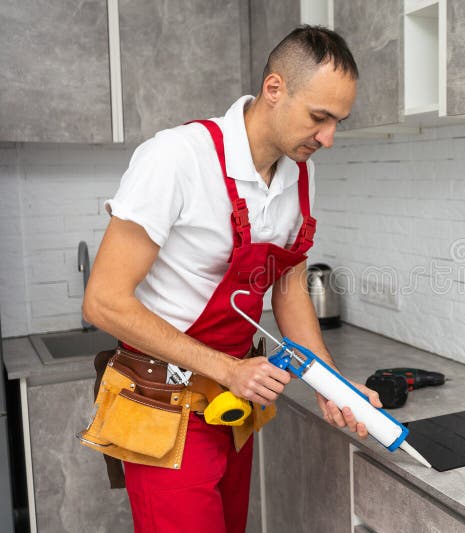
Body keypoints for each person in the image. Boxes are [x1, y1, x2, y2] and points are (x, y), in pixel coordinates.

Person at [83, 25, 380, 533]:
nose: (329, 138)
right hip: (163, 409)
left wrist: (332, 385)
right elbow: (104, 302)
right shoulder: (175, 158)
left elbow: (288, 289)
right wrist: (228, 368)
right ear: (274, 89)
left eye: (338, 122)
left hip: (229, 407)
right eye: (319, 117)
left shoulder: (298, 176)